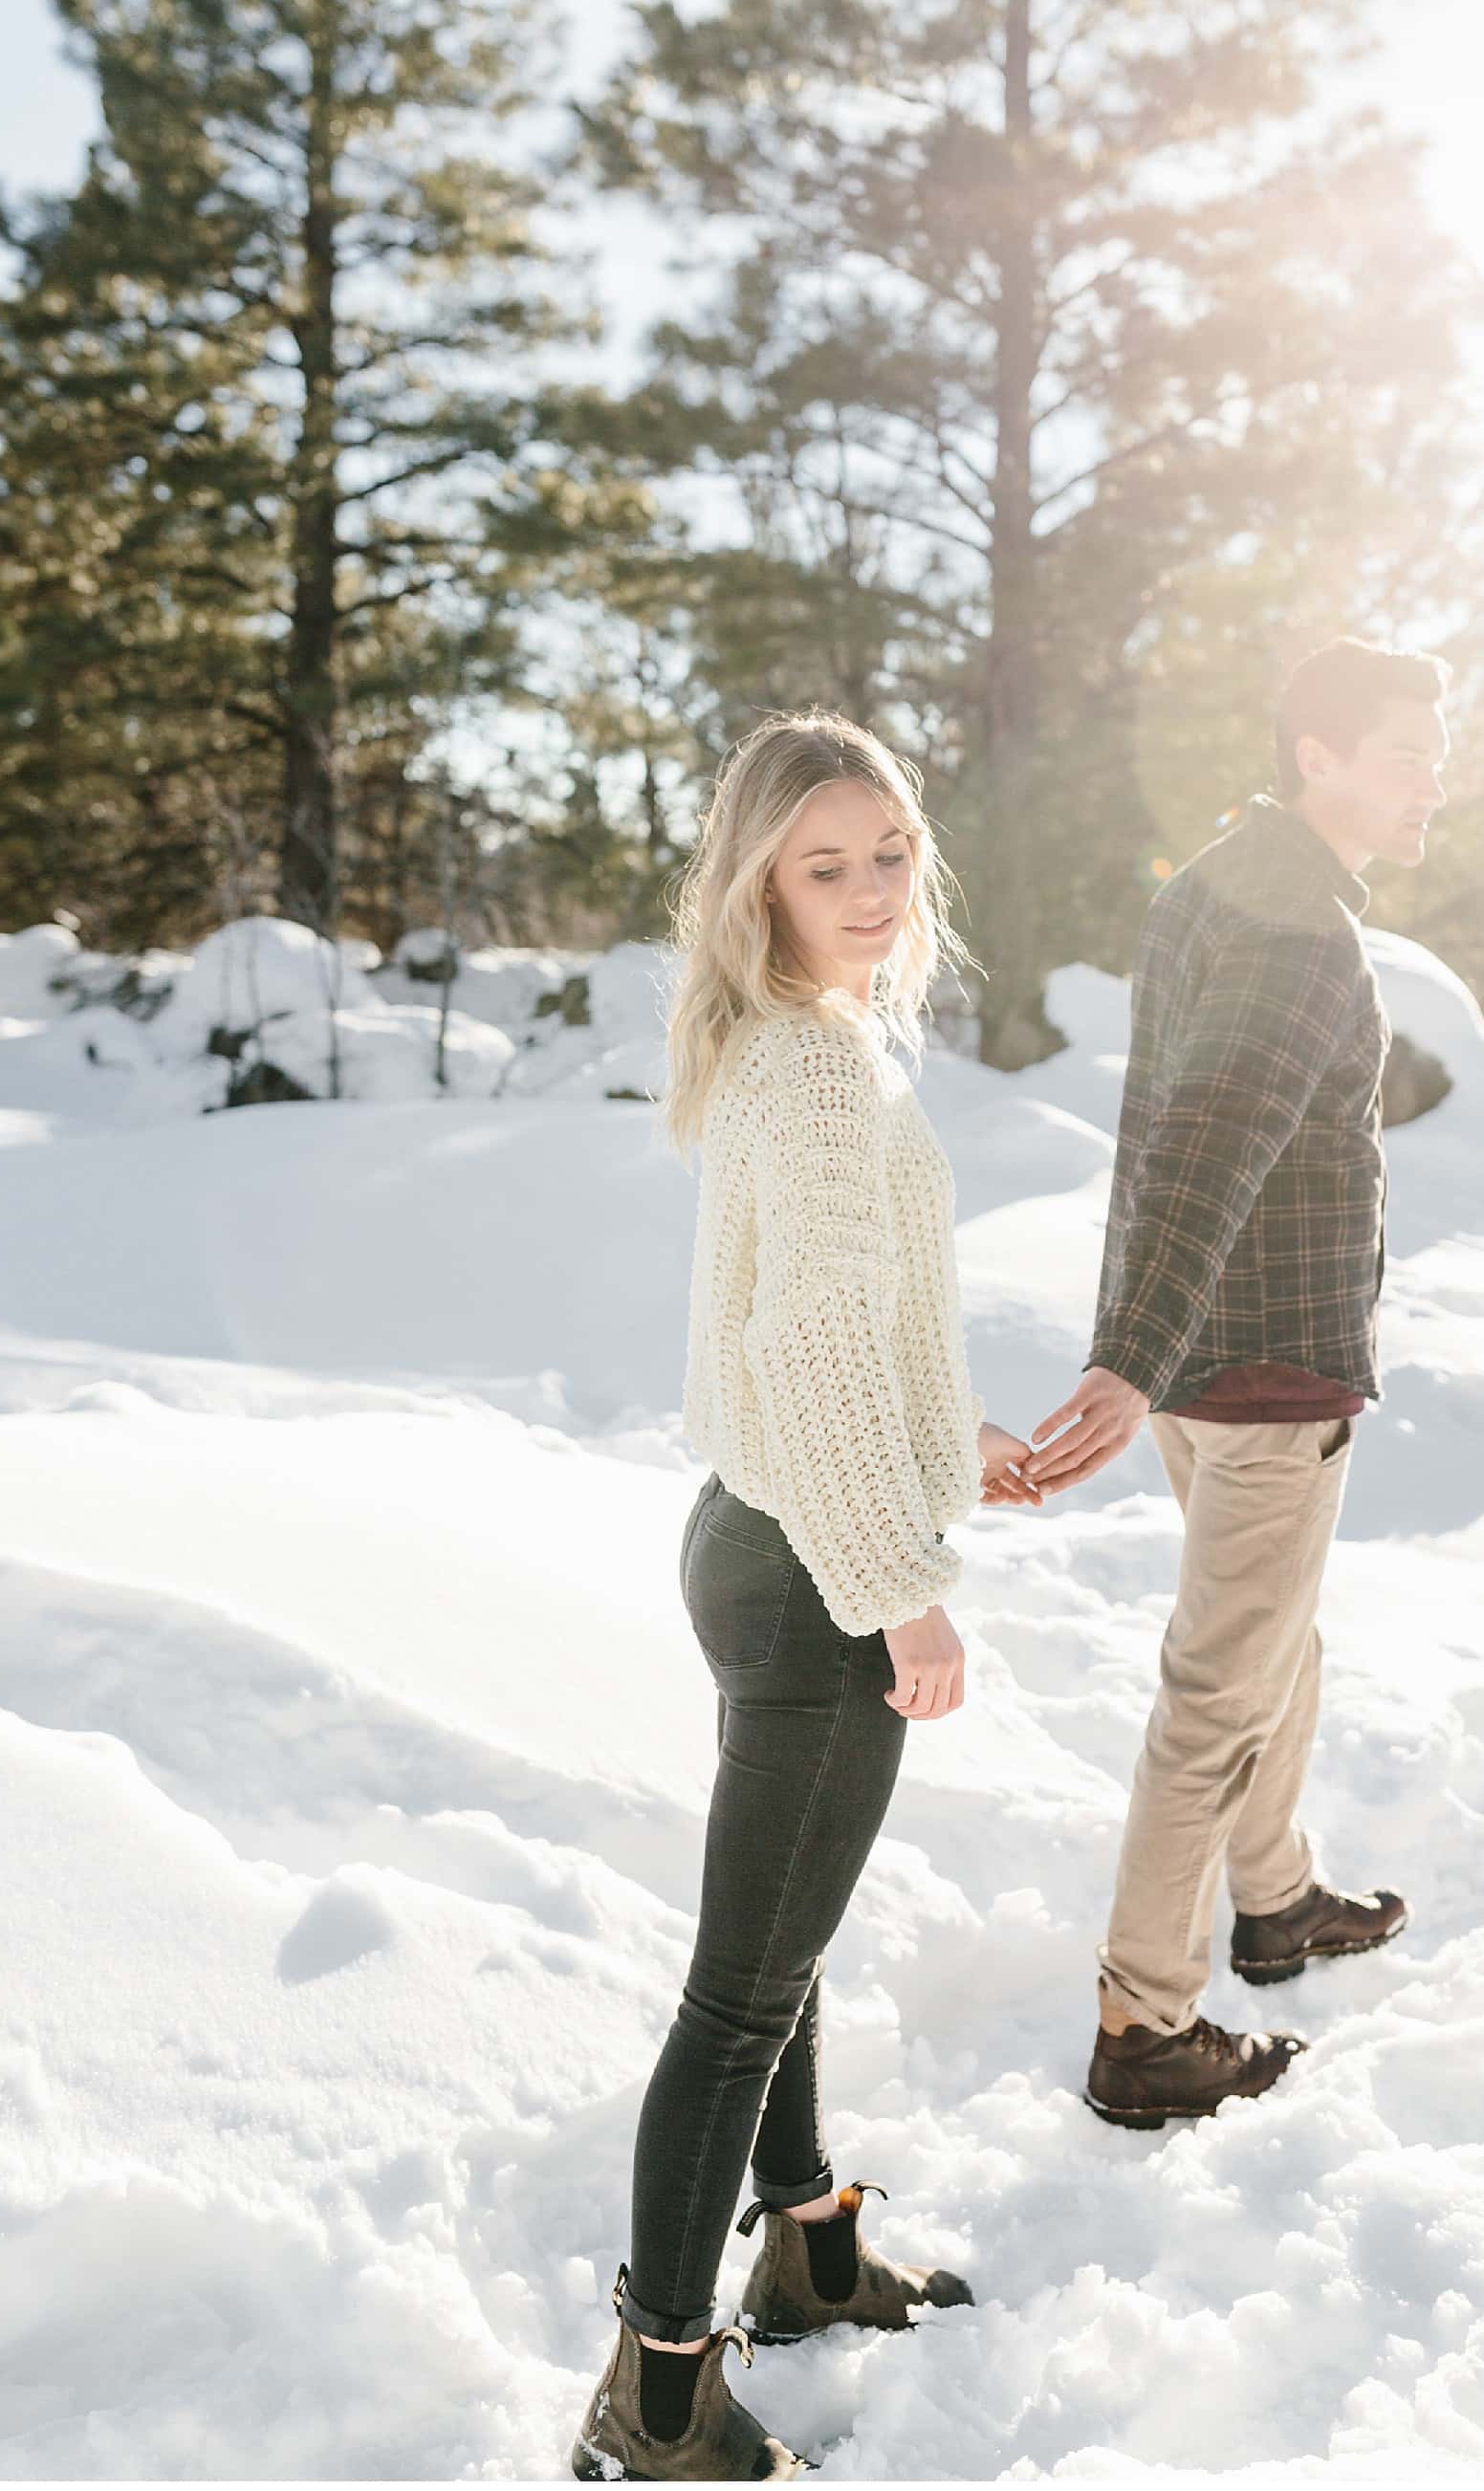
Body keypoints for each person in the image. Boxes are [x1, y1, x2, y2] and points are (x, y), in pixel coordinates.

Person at [572, 711, 1041, 2485]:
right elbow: (814, 1344)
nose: (865, 890)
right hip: (805, 1577)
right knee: (737, 1995)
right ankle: (658, 2390)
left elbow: (835, 1339)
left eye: (890, 853)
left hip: (758, 1528)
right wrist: (902, 1583)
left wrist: (945, 1438)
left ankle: (811, 2244)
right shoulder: (821, 1070)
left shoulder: (795, 1040)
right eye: (822, 863)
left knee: (786, 1944)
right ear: (759, 877)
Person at [1023, 638, 1451, 2130]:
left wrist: (1146, 1339)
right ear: (1316, 752)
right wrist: (1130, 1352)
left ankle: (1272, 1900)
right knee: (1220, 1689)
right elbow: (1206, 1141)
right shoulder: (1295, 929)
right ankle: (1146, 2019)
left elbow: (1154, 1131)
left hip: (1218, 1354)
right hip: (1261, 1364)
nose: (1430, 777)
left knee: (1281, 1643)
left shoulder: (1212, 883)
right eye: (1406, 748)